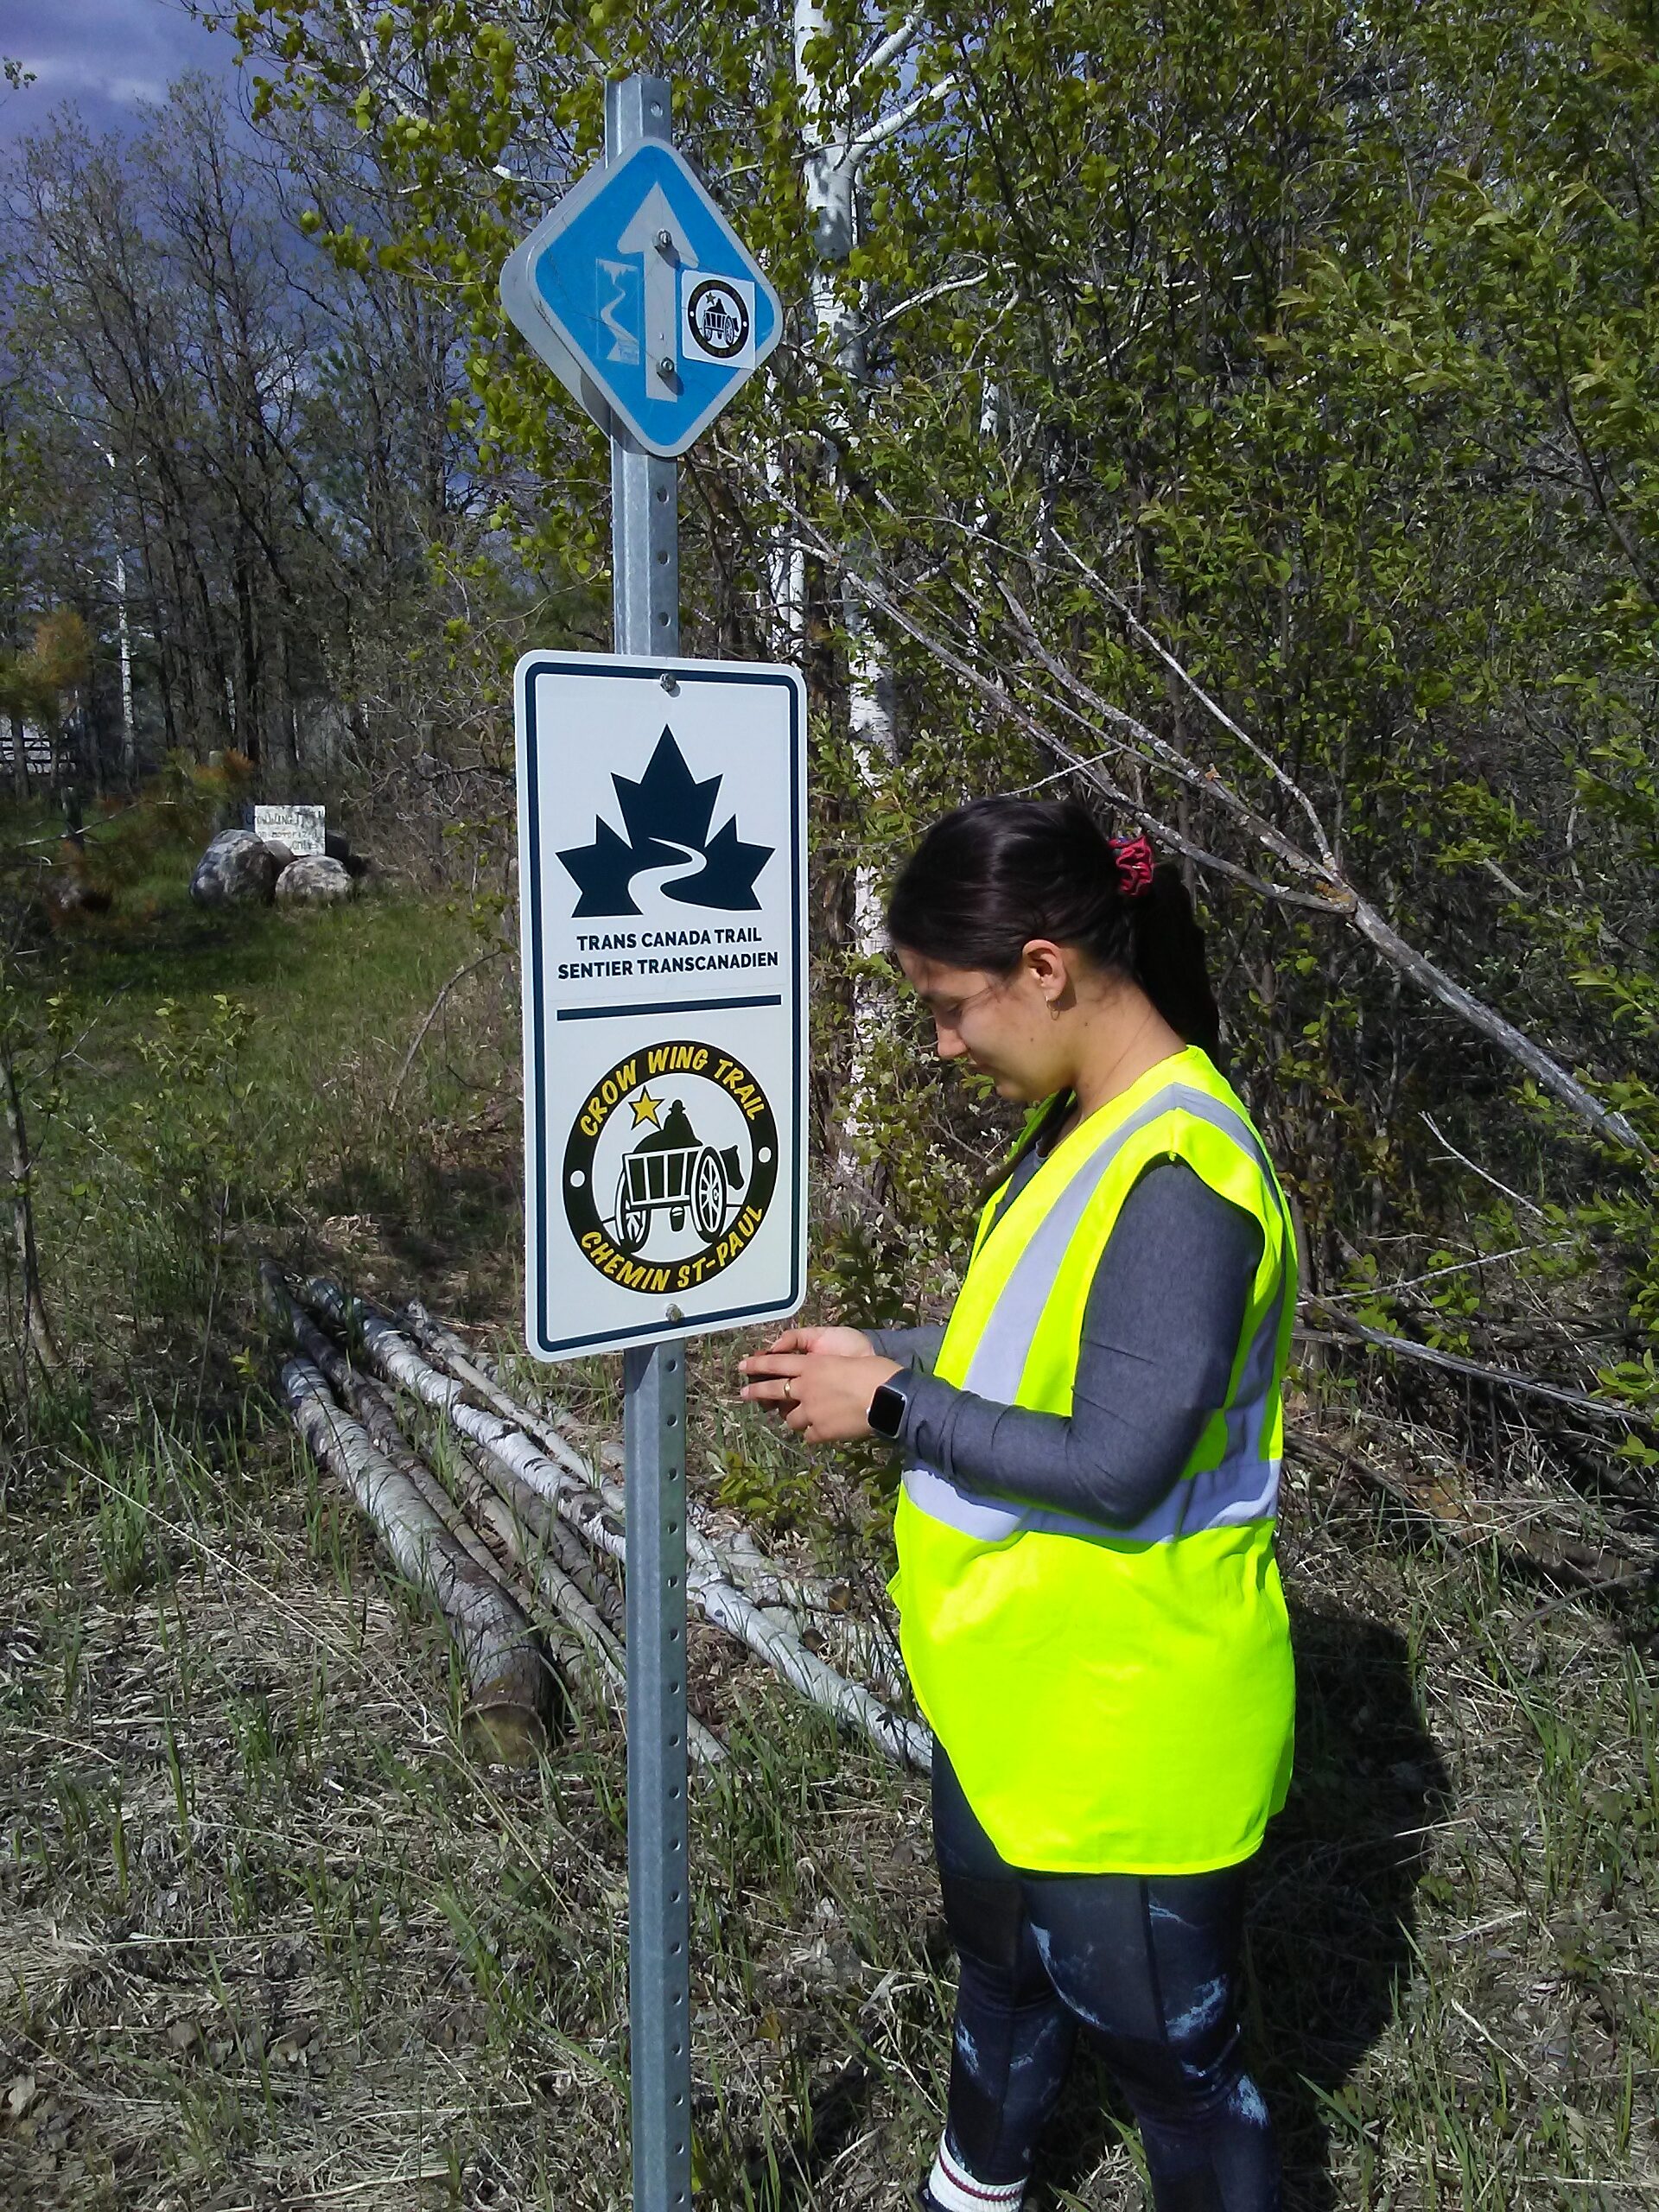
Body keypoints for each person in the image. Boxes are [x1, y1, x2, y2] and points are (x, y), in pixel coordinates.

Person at [738, 798, 1296, 2212]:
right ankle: (972, 2194)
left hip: (1128, 1739)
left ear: (1044, 969)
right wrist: (894, 1355)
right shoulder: (1078, 1123)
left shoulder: (1184, 1175)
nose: (938, 1041)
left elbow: (1118, 1462)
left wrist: (886, 1408)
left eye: (948, 1005)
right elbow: (1023, 1341)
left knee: (1177, 2074)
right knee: (998, 1977)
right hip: (1014, 1701)